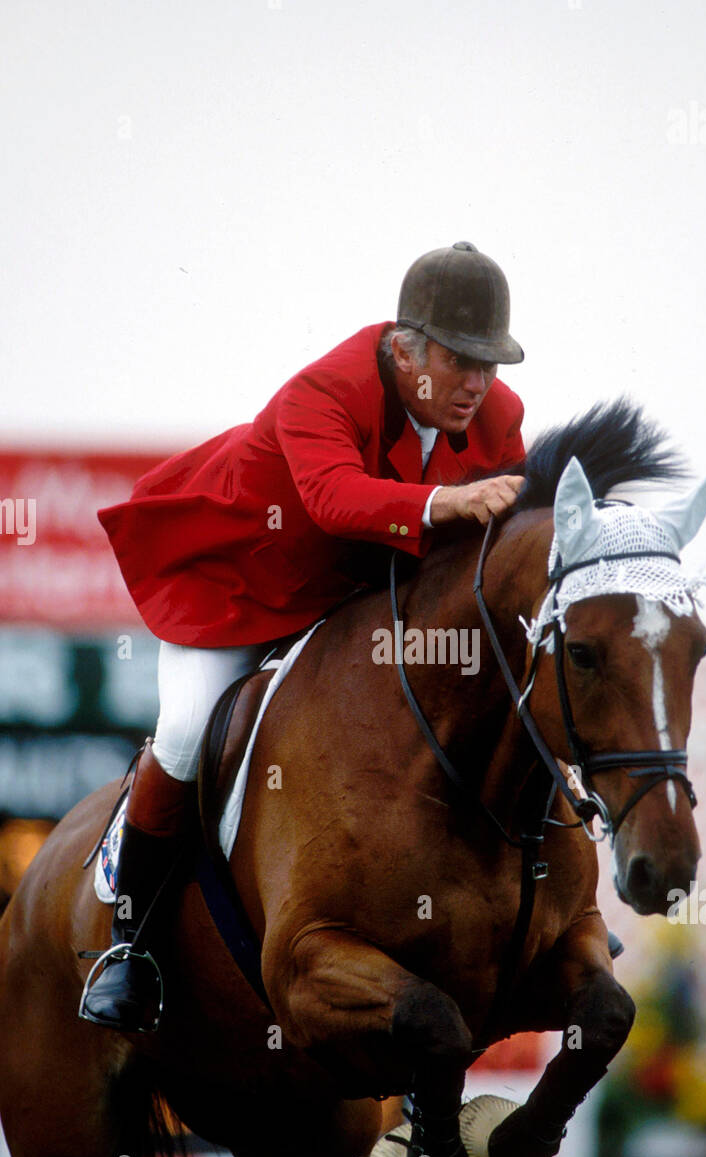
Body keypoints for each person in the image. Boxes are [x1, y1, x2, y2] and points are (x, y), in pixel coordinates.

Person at [81, 242, 527, 1031]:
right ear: (403, 349)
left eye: (489, 365)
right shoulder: (326, 389)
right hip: (241, 587)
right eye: (460, 361)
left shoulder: (499, 418)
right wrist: (440, 506)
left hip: (351, 603)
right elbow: (330, 498)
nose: (477, 385)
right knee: (186, 733)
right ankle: (130, 947)